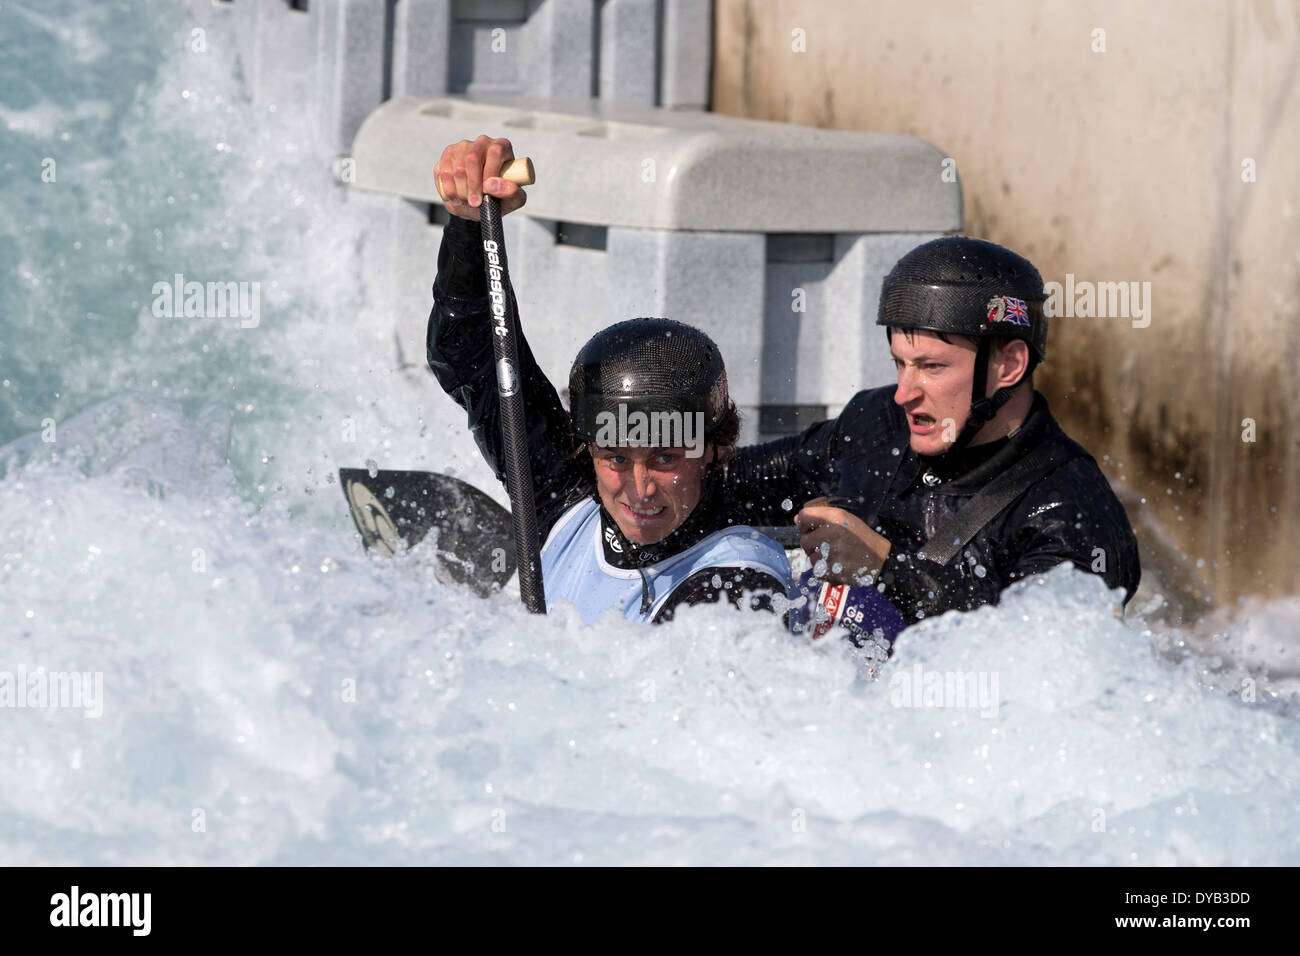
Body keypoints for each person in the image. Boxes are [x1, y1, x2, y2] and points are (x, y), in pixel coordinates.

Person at [425, 136, 792, 624]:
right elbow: (468, 355)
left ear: (716, 448)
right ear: (588, 451)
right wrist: (469, 225)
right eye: (617, 458)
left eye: (665, 458)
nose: (639, 492)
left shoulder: (738, 587)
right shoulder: (569, 501)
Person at [724, 236, 1142, 626]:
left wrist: (888, 570)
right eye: (900, 364)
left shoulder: (1072, 512)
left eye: (932, 367)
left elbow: (1037, 653)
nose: (904, 393)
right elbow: (729, 480)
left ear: (1009, 365)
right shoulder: (876, 423)